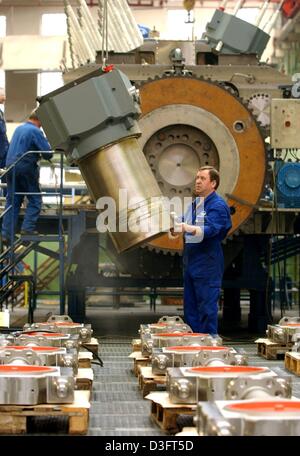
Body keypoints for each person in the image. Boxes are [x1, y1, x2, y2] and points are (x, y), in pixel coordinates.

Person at [172, 166, 232, 335]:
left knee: (206, 310)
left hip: (207, 263)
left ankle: (209, 347)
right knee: (191, 310)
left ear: (213, 183)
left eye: (202, 178)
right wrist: (175, 226)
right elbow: (184, 223)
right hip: (191, 262)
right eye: (197, 177)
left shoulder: (218, 205)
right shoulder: (196, 204)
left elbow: (211, 230)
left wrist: (186, 227)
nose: (197, 181)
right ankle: (194, 346)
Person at [1, 110, 52, 243]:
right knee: (35, 199)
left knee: (13, 201)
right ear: (39, 121)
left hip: (10, 167)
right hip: (25, 167)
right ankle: (27, 229)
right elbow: (48, 153)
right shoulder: (35, 131)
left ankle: (6, 234)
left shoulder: (19, 129)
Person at [0, 87, 9, 198]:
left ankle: (5, 199)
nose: (5, 97)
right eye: (3, 95)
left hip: (4, 151)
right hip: (1, 152)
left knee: (6, 177)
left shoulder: (1, 112)